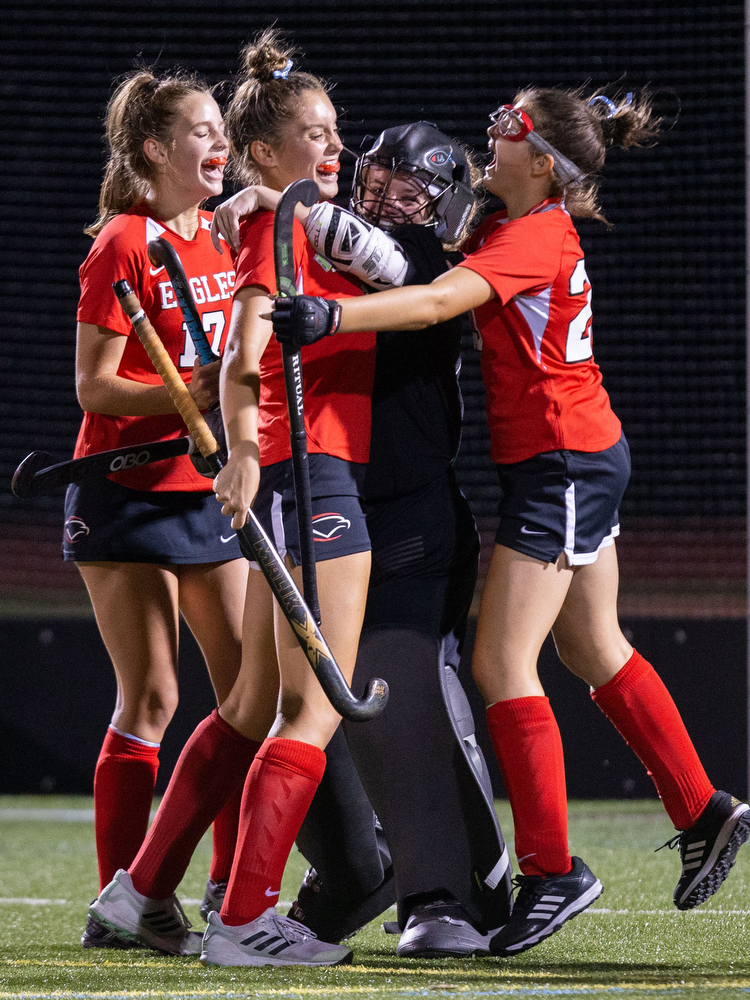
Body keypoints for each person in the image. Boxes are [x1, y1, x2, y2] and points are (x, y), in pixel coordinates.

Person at [272, 86, 750, 958]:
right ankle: (705, 808)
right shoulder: (509, 225)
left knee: (499, 662)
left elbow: (429, 302)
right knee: (594, 646)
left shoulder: (534, 233)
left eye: (507, 132)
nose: (491, 141)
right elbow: (416, 255)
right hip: (579, 455)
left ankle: (553, 869)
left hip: (559, 463)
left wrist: (330, 312)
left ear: (544, 164)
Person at [89, 29, 376, 968]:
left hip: (231, 479)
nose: (338, 152)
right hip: (227, 478)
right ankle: (238, 911)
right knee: (250, 704)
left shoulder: (249, 220)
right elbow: (240, 354)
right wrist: (237, 427)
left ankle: (148, 894)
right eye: (319, 136)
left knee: (244, 703)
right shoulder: (156, 239)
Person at [212, 121, 514, 956]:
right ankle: (348, 876)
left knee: (400, 694)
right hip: (328, 501)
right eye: (377, 181)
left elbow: (377, 262)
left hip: (409, 514)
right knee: (299, 704)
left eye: (410, 191)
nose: (385, 199)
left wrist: (280, 199)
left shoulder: (428, 264)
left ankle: (453, 892)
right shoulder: (318, 251)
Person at [65, 68, 248, 950]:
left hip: (210, 488)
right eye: (204, 132)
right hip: (126, 490)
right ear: (154, 149)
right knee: (151, 696)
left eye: (222, 131)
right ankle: (123, 901)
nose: (220, 146)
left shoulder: (223, 234)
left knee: (250, 685)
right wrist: (187, 395)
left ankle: (223, 889)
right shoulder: (122, 244)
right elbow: (94, 384)